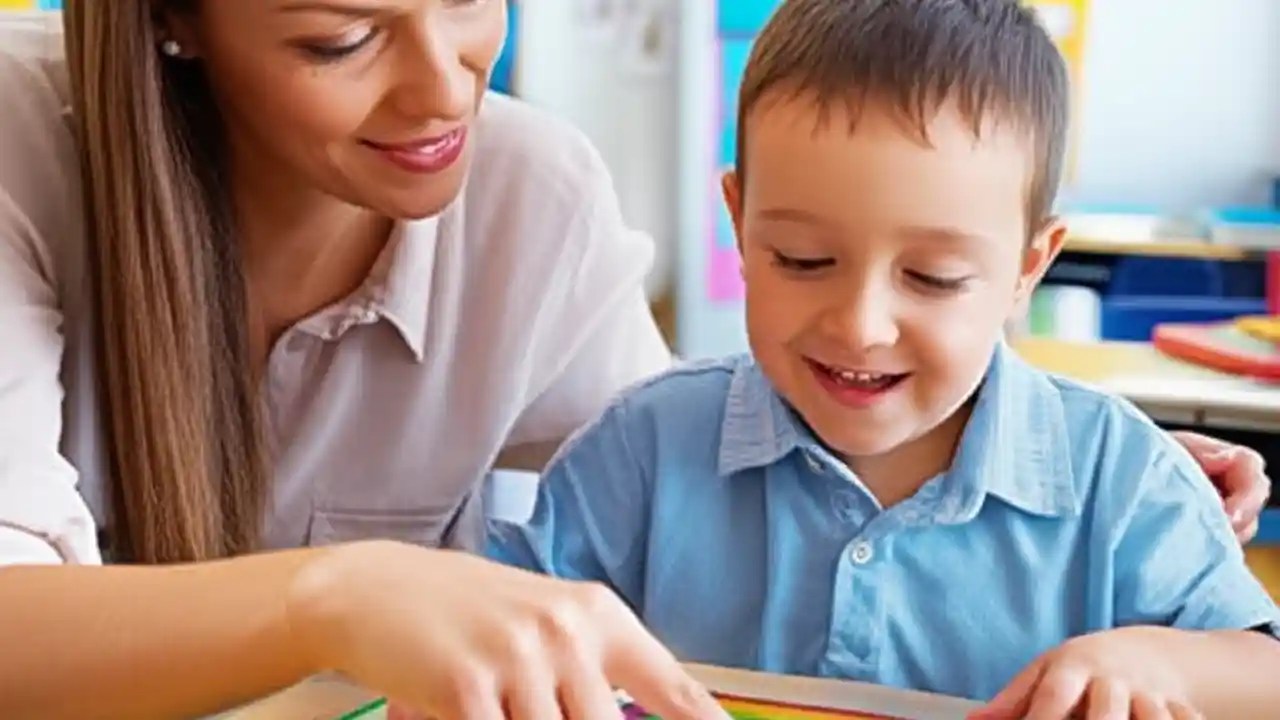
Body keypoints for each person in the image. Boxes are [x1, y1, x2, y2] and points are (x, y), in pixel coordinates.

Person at [0, 0, 1266, 717]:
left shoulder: (537, 198)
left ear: (1030, 262)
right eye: (340, 36)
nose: (446, 92)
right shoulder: (25, 146)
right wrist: (343, 593)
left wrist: (1066, 450)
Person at [486, 1, 1280, 718]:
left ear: (1027, 269)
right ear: (739, 220)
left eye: (932, 279)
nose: (861, 327)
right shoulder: (645, 449)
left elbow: (1263, 670)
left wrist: (1153, 660)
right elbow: (496, 627)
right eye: (802, 259)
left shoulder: (1122, 477)